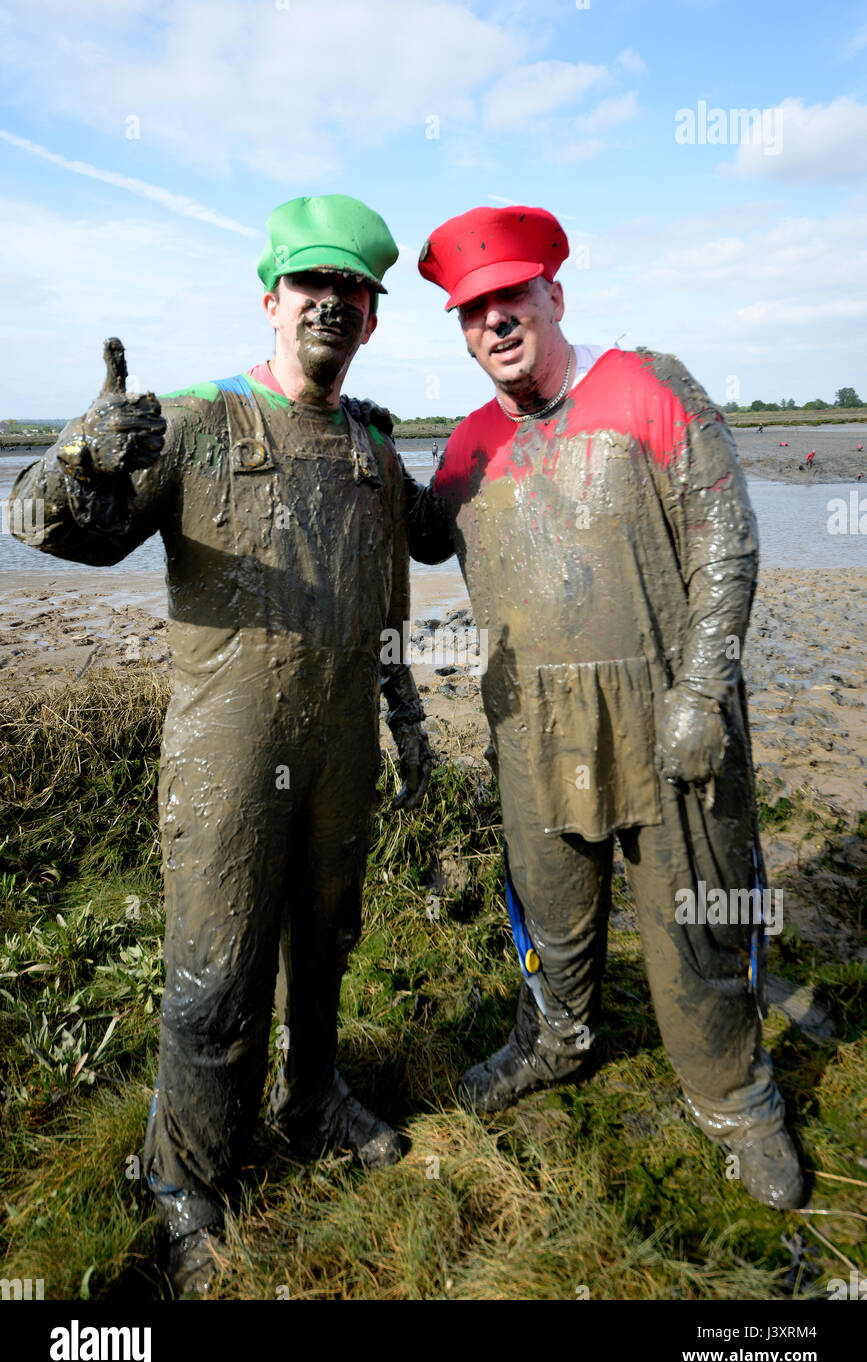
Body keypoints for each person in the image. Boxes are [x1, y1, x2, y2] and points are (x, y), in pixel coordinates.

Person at [10, 194, 432, 1292]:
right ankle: (185, 1184)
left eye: (354, 291)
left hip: (344, 750)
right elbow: (51, 528)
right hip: (228, 757)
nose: (332, 305)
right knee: (214, 973)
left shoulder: (372, 448)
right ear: (272, 299)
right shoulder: (193, 421)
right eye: (313, 286)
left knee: (327, 937)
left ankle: (314, 1097)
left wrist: (409, 720)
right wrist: (80, 456)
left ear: (373, 319)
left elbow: (386, 593)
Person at [403, 204, 804, 1210]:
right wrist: (352, 441)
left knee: (697, 925)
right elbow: (413, 534)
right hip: (534, 730)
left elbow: (728, 542)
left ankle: (734, 1094)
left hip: (670, 712)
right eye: (472, 311)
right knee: (553, 914)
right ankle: (558, 1039)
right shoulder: (468, 446)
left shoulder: (647, 384)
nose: (494, 323)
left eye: (510, 300)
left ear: (555, 296)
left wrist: (705, 691)